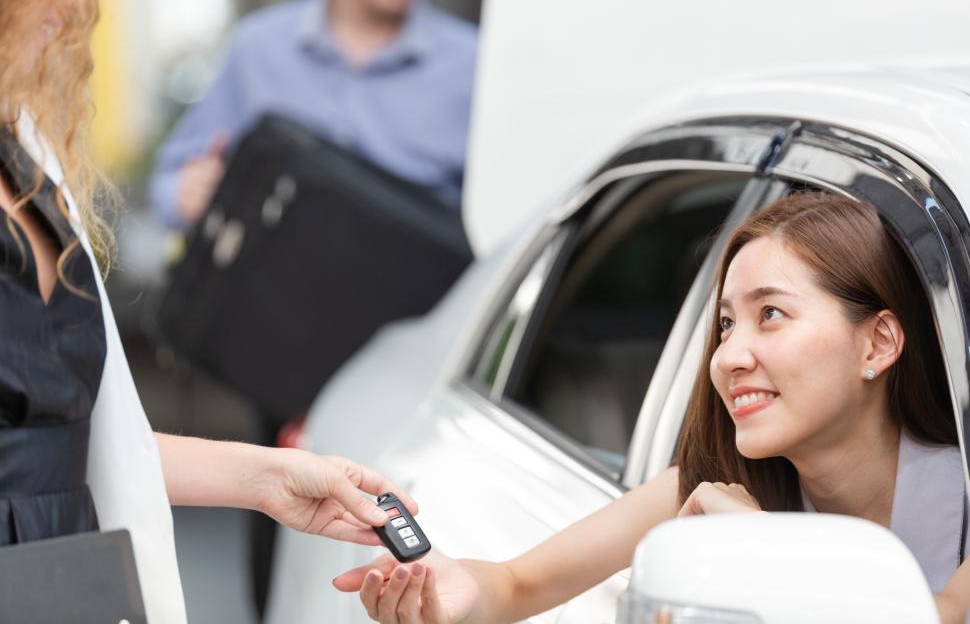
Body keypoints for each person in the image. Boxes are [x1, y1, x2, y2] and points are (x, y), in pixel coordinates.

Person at [333, 193, 970, 623]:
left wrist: (763, 547)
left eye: (770, 315)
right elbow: (520, 584)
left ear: (879, 342)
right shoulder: (712, 486)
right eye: (725, 325)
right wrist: (457, 594)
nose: (728, 357)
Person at [0, 0, 417, 623]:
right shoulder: (259, 49)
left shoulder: (27, 160)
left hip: (64, 589)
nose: (71, 7)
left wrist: (270, 479)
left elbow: (71, 444)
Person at [148, 0, 478, 228]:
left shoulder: (476, 66)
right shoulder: (257, 49)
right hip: (271, 301)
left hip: (424, 306)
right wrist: (186, 193)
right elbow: (169, 179)